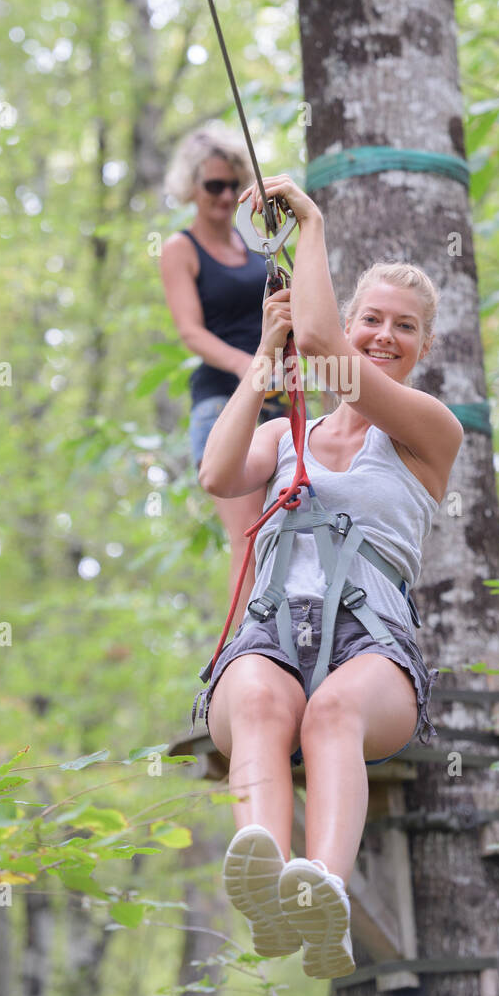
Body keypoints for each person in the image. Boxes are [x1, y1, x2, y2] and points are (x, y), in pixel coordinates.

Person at [193, 174, 465, 979]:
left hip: (369, 640)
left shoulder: (428, 434)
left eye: (405, 328)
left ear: (423, 347)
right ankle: (269, 884)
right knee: (255, 699)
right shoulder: (285, 436)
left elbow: (325, 352)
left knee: (335, 709)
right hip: (273, 627)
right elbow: (215, 475)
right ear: (352, 320)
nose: (386, 335)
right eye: (371, 320)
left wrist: (308, 221)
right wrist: (261, 364)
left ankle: (325, 897)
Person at [159, 125, 290, 627]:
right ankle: (241, 660)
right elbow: (190, 332)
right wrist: (248, 365)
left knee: (285, 534)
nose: (224, 196)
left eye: (234, 186)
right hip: (222, 401)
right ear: (192, 188)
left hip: (278, 401)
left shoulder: (253, 242)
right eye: (213, 185)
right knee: (249, 538)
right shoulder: (181, 248)